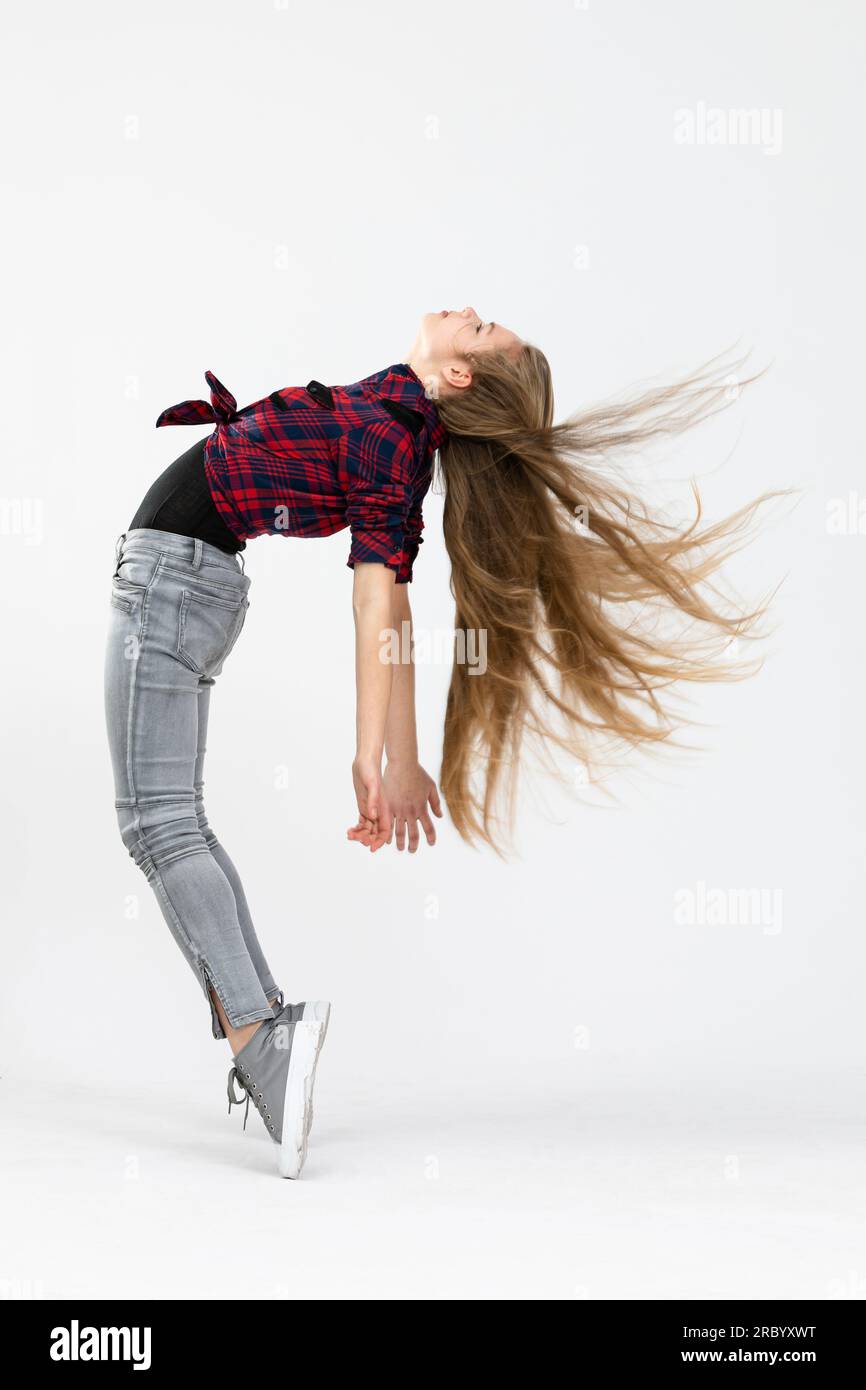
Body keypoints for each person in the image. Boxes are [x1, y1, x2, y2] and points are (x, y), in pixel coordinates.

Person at [105, 307, 768, 1177]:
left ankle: (262, 1039)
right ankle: (265, 1029)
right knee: (169, 821)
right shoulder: (401, 427)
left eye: (483, 327)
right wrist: (405, 754)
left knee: (158, 825)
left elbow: (379, 602)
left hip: (173, 587)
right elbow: (402, 611)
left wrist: (367, 750)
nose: (468, 313)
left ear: (459, 376)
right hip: (182, 584)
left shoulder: (391, 435)